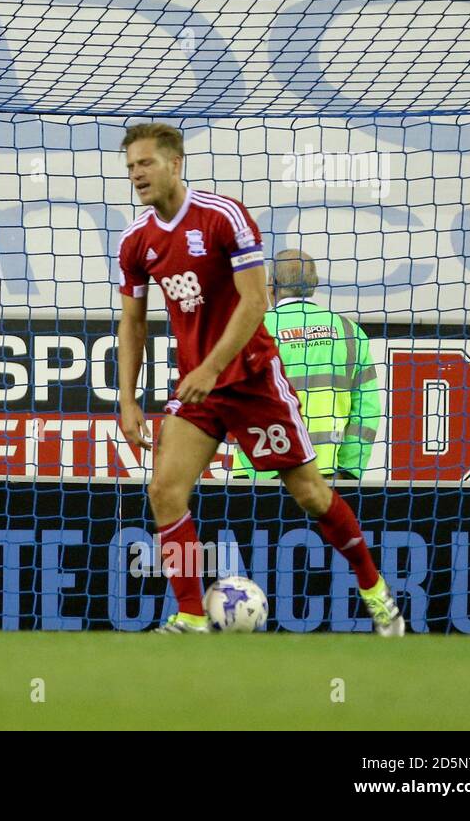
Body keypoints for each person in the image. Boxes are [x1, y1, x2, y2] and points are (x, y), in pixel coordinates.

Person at [115, 123, 403, 635]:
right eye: (132, 165)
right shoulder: (136, 241)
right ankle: (189, 615)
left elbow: (255, 301)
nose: (137, 173)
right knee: (164, 490)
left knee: (311, 494)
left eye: (146, 163)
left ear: (175, 164)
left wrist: (210, 366)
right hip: (198, 392)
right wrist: (128, 399)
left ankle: (376, 592)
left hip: (251, 380)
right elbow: (132, 321)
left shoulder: (222, 216)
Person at [233, 250, 380, 481]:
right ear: (314, 284)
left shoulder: (250, 330)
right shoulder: (349, 332)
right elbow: (367, 411)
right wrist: (349, 470)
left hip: (261, 472)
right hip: (326, 475)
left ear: (271, 285)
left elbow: (231, 404)